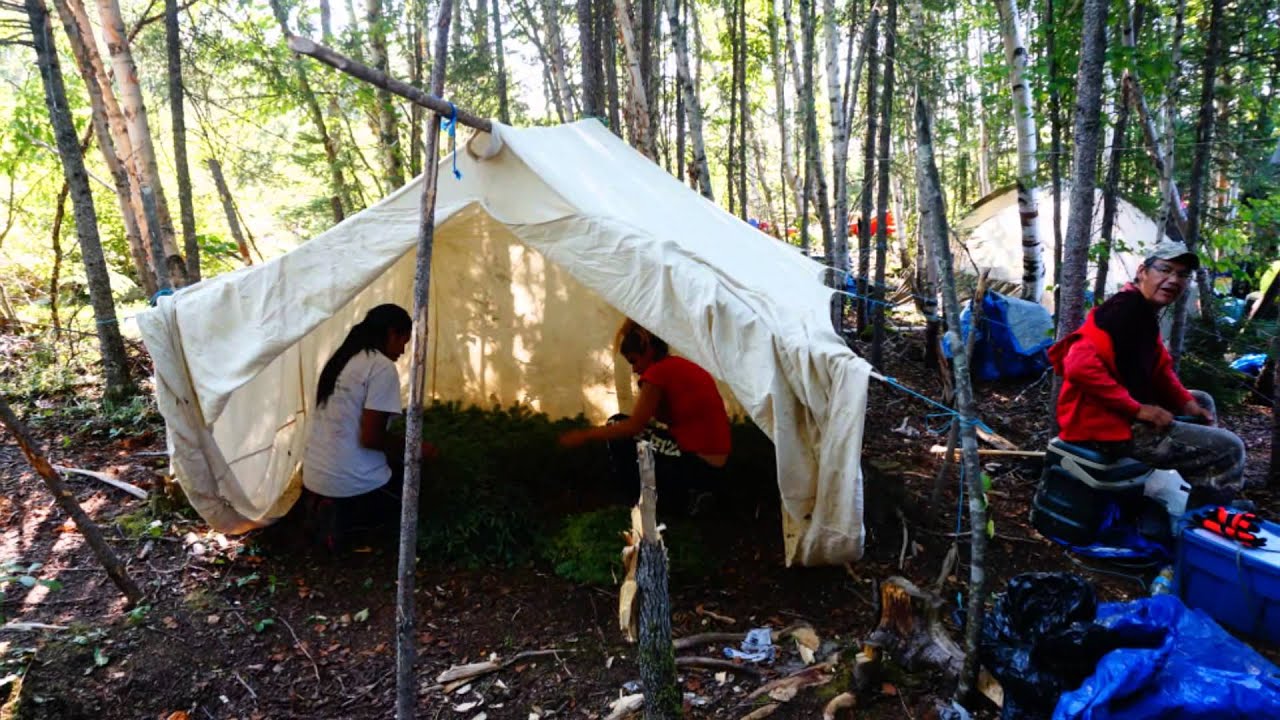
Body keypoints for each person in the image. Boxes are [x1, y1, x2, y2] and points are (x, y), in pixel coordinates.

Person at [1047, 240, 1246, 505]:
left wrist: (1185, 403)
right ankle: (1207, 515)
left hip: (1117, 416)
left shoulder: (1142, 311)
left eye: (1182, 275)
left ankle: (1197, 482)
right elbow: (1078, 365)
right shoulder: (1121, 311)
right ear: (1143, 271)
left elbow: (1159, 369)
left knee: (1200, 401)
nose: (1173, 280)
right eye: (1164, 270)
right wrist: (1137, 410)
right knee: (1230, 448)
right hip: (1104, 427)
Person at [558, 320, 731, 513]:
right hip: (716, 464)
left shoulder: (658, 373)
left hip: (697, 462)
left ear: (648, 351)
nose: (634, 370)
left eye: (634, 361)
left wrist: (585, 436)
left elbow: (634, 426)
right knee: (638, 434)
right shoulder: (680, 366)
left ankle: (636, 500)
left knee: (616, 422)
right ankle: (692, 493)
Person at [302, 304, 429, 551]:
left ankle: (325, 517)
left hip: (314, 476)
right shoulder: (381, 367)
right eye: (403, 341)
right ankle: (355, 528)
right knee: (418, 481)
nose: (403, 351)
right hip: (351, 483)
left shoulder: (341, 359)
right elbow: (371, 438)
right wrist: (414, 448)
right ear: (392, 333)